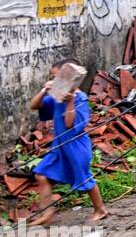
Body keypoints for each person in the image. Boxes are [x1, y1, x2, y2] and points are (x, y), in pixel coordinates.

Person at [26, 60, 108, 225]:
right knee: (41, 175)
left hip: (76, 147)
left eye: (57, 78)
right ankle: (47, 213)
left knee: (84, 179)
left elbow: (71, 124)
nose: (55, 81)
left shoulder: (80, 99)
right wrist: (44, 91)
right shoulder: (56, 97)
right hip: (60, 146)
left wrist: (69, 101)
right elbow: (34, 106)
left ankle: (100, 209)